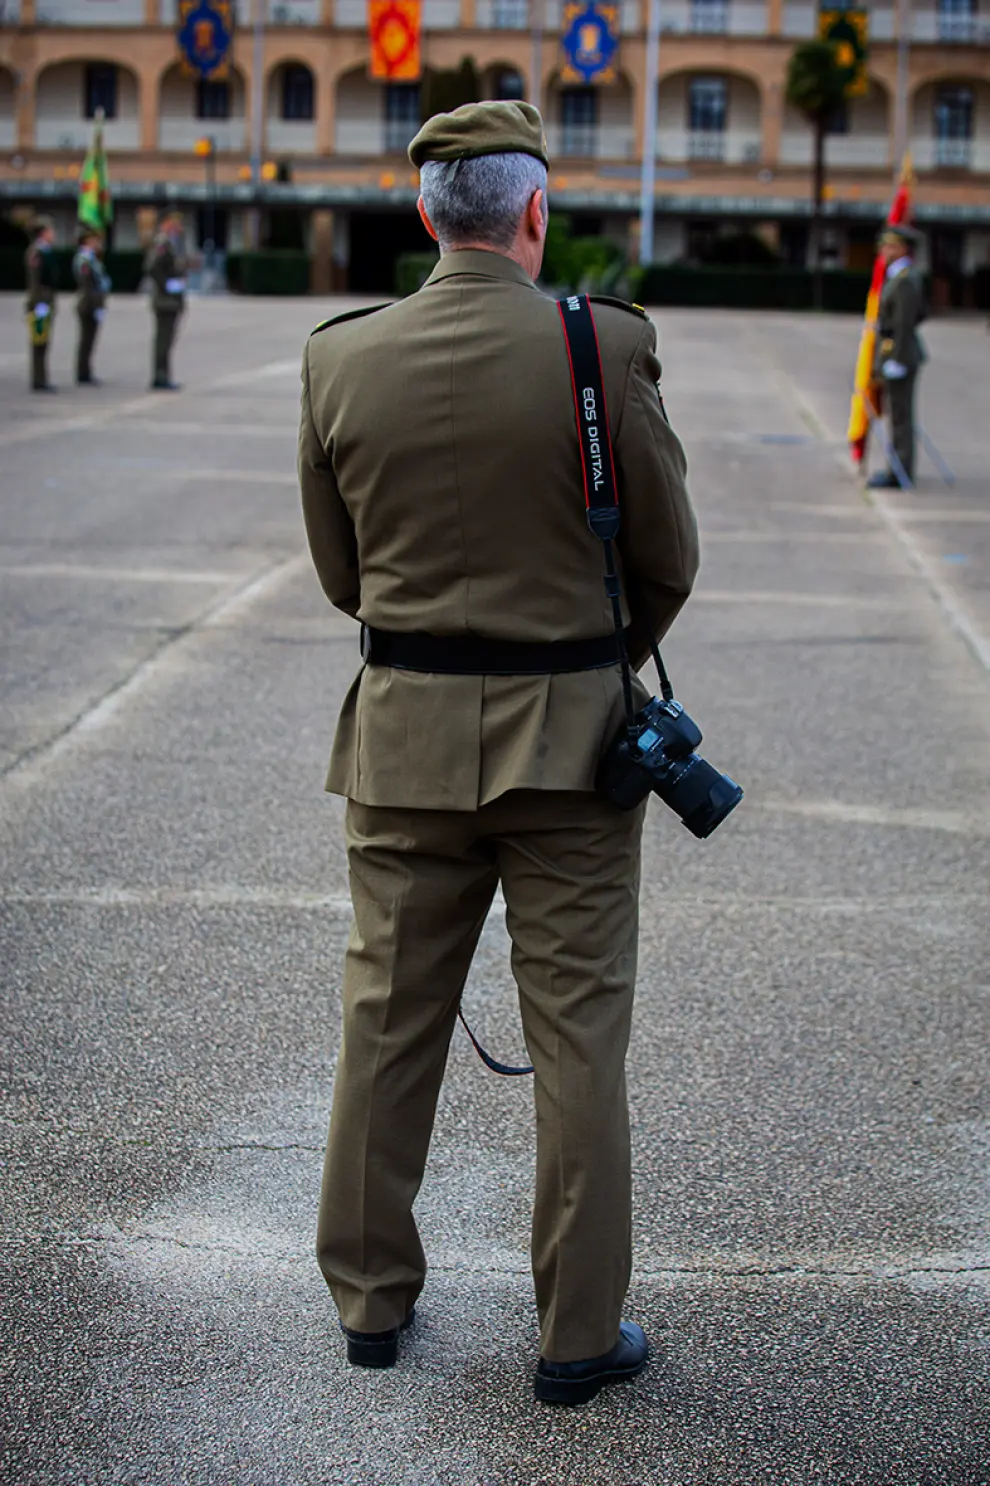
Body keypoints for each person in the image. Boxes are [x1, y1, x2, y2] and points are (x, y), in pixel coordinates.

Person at [298, 101, 699, 1406]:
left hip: (404, 738)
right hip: (572, 751)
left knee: (385, 1020)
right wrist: (584, 657)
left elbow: (340, 573)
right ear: (536, 212)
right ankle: (575, 1338)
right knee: (578, 1035)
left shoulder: (341, 359)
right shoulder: (602, 348)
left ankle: (367, 1301)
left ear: (425, 214)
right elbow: (666, 560)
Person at [867, 222, 927, 489]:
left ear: (902, 249)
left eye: (889, 245)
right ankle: (897, 466)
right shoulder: (899, 276)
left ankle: (900, 472)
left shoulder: (905, 280)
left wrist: (897, 359)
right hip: (895, 353)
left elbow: (905, 323)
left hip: (900, 357)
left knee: (901, 417)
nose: (883, 250)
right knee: (897, 415)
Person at [145, 209, 187, 390]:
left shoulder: (173, 243)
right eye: (174, 222)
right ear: (166, 224)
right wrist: (167, 285)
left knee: (168, 340)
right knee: (163, 340)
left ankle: (164, 374)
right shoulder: (163, 243)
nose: (178, 227)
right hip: (165, 300)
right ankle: (160, 376)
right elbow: (152, 267)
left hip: (172, 301)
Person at [73, 228, 111, 386]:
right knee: (86, 340)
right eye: (94, 241)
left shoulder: (92, 258)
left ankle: (86, 371)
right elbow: (87, 284)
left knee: (90, 340)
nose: (97, 244)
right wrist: (95, 306)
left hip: (94, 303)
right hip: (88, 304)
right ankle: (83, 373)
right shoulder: (84, 260)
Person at [25, 216, 58, 393]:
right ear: (43, 233)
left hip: (46, 301)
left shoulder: (45, 251)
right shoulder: (36, 252)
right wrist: (39, 303)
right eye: (51, 231)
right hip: (39, 303)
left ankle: (42, 378)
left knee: (44, 342)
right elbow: (35, 281)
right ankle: (38, 380)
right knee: (38, 343)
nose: (53, 234)